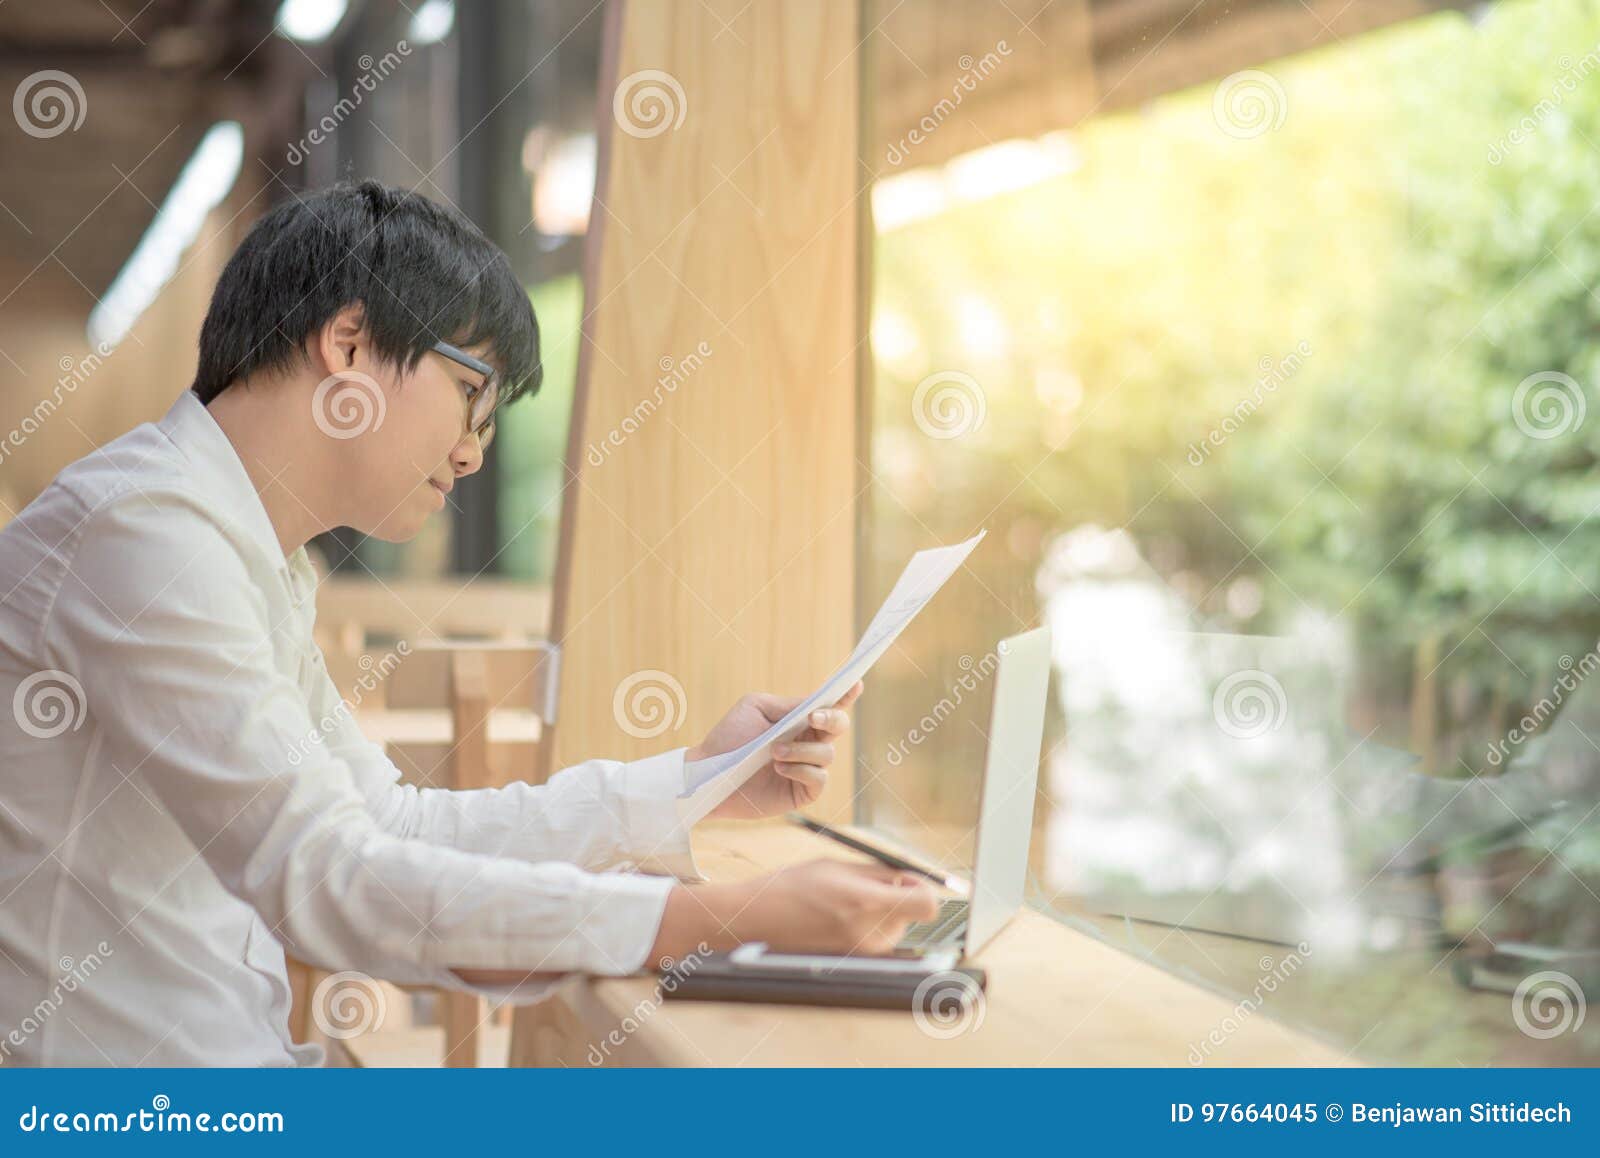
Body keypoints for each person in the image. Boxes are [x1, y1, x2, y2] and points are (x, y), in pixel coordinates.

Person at [0, 181, 939, 1066]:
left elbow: (390, 825)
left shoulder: (251, 556)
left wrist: (699, 784)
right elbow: (328, 876)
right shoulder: (141, 536)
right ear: (351, 342)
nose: (472, 451)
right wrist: (720, 922)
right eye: (473, 394)